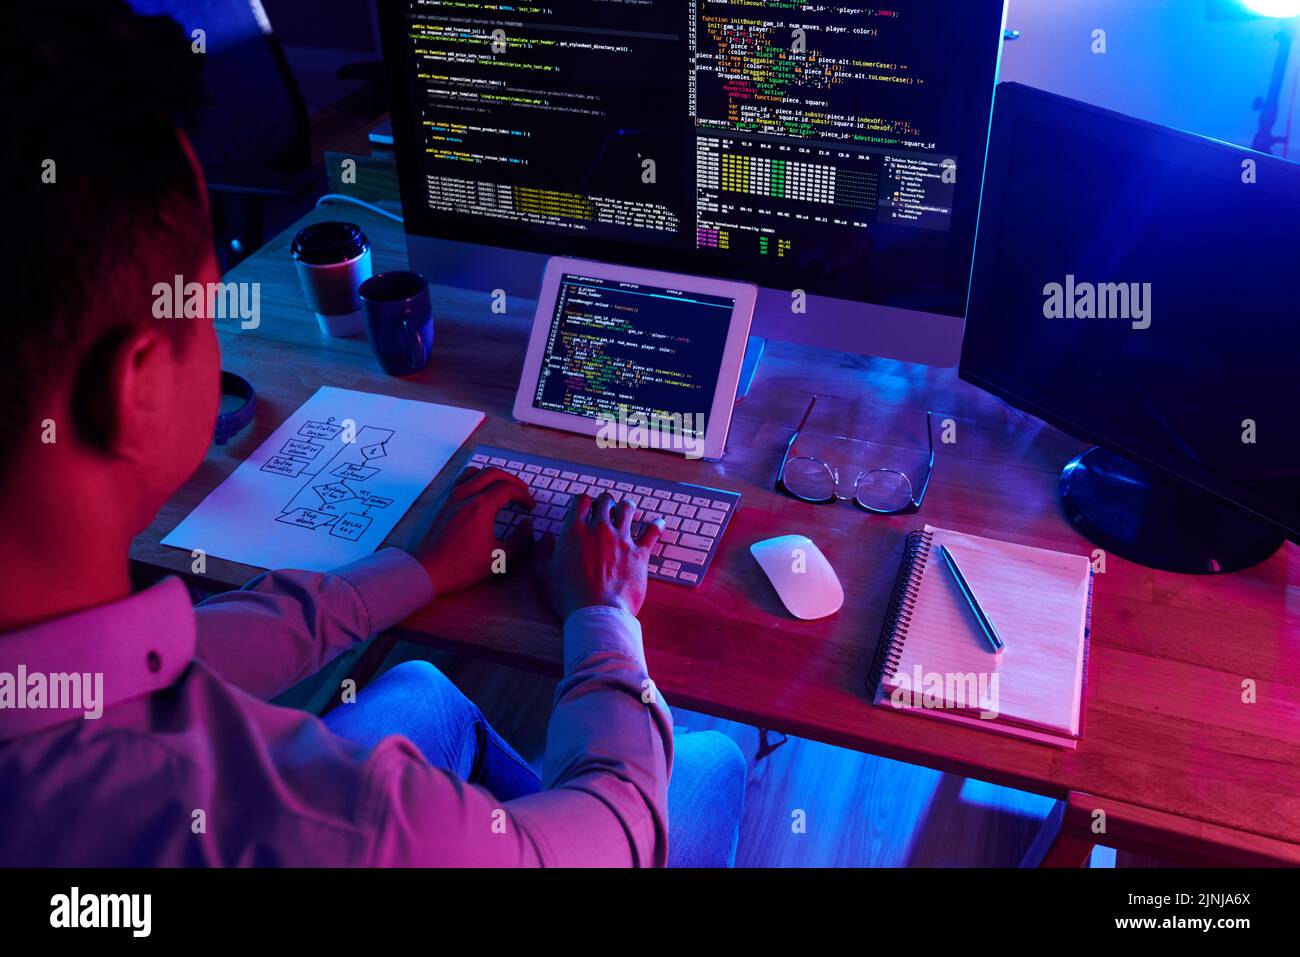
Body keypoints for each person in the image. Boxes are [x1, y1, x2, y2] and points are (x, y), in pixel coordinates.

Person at [0, 1, 743, 867]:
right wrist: (606, 614)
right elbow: (618, 832)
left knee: (426, 688)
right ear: (133, 390)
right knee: (709, 764)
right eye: (200, 307)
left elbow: (160, 662)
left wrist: (419, 570)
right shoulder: (359, 829)